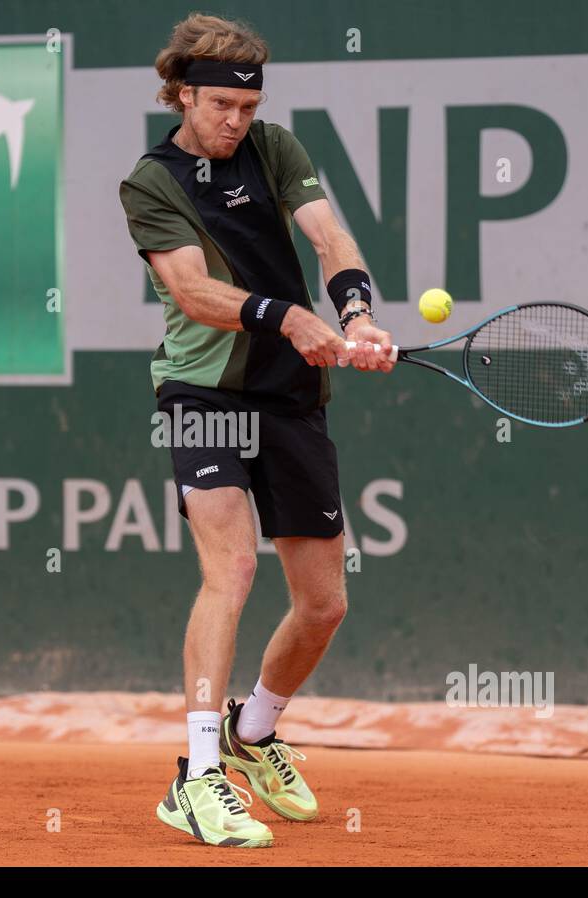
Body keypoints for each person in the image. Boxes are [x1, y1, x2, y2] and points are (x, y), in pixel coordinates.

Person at [118, 13, 393, 848]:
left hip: (291, 399)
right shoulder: (150, 184)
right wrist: (288, 316)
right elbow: (194, 294)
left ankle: (256, 730)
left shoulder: (274, 149)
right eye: (219, 107)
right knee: (231, 569)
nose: (235, 121)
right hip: (204, 393)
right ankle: (199, 775)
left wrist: (354, 312)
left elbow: (329, 235)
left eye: (248, 106)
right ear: (182, 95)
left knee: (323, 605)